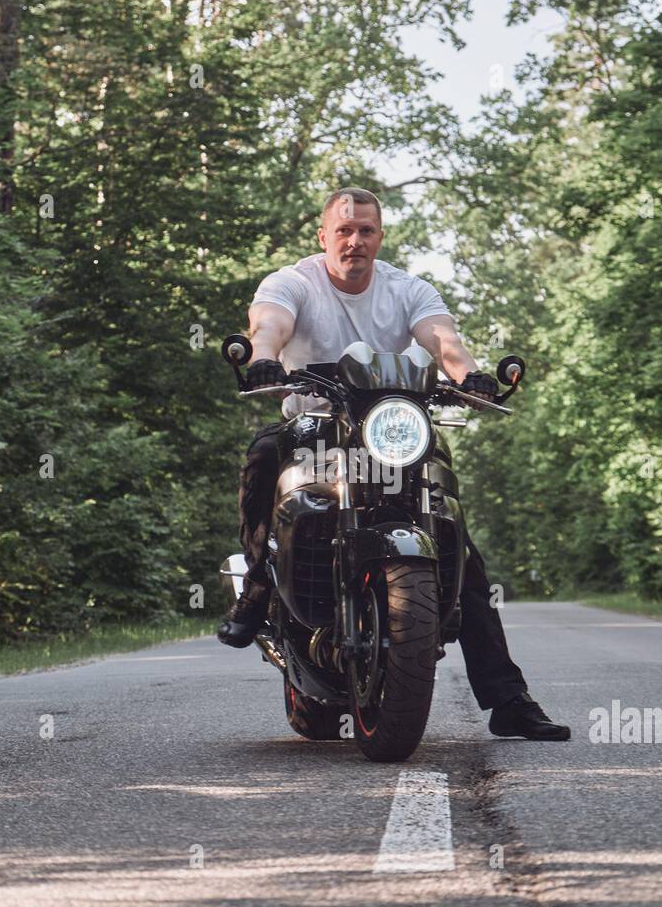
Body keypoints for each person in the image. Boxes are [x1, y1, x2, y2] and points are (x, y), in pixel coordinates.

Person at [217, 187, 570, 742]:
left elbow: (443, 339)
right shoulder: (292, 282)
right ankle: (259, 582)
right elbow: (269, 325)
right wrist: (262, 359)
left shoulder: (407, 288)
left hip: (393, 430)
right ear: (324, 236)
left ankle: (508, 699)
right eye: (344, 230)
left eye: (366, 231)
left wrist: (468, 375)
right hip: (317, 428)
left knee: (458, 542)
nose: (354, 241)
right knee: (265, 454)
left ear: (380, 236)